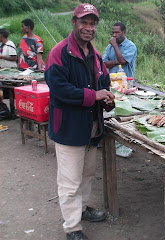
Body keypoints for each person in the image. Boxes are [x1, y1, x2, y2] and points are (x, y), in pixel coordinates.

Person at [45, 4, 115, 240]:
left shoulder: (95, 55)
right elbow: (59, 89)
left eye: (93, 23)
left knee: (87, 173)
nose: (89, 27)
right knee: (70, 180)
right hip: (69, 127)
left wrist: (107, 97)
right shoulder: (59, 52)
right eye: (84, 22)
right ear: (74, 22)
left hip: (91, 126)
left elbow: (103, 81)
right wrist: (93, 96)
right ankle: (72, 228)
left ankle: (82, 209)